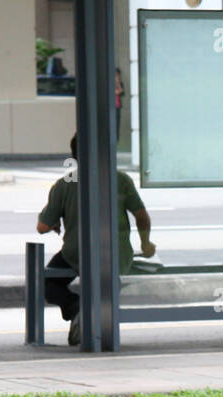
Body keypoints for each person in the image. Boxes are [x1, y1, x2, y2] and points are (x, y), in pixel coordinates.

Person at [36, 133, 156, 345]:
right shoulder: (121, 180)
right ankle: (96, 314)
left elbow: (43, 226)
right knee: (107, 280)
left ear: (74, 156)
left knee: (46, 282)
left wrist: (54, 221)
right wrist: (146, 243)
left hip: (77, 252)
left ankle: (76, 307)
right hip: (116, 254)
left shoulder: (65, 184)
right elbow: (141, 216)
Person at [115, 69, 124, 136]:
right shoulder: (110, 82)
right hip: (111, 106)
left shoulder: (120, 84)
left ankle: (116, 138)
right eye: (116, 75)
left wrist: (118, 83)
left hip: (117, 106)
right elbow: (116, 92)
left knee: (117, 124)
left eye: (118, 75)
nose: (117, 76)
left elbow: (121, 92)